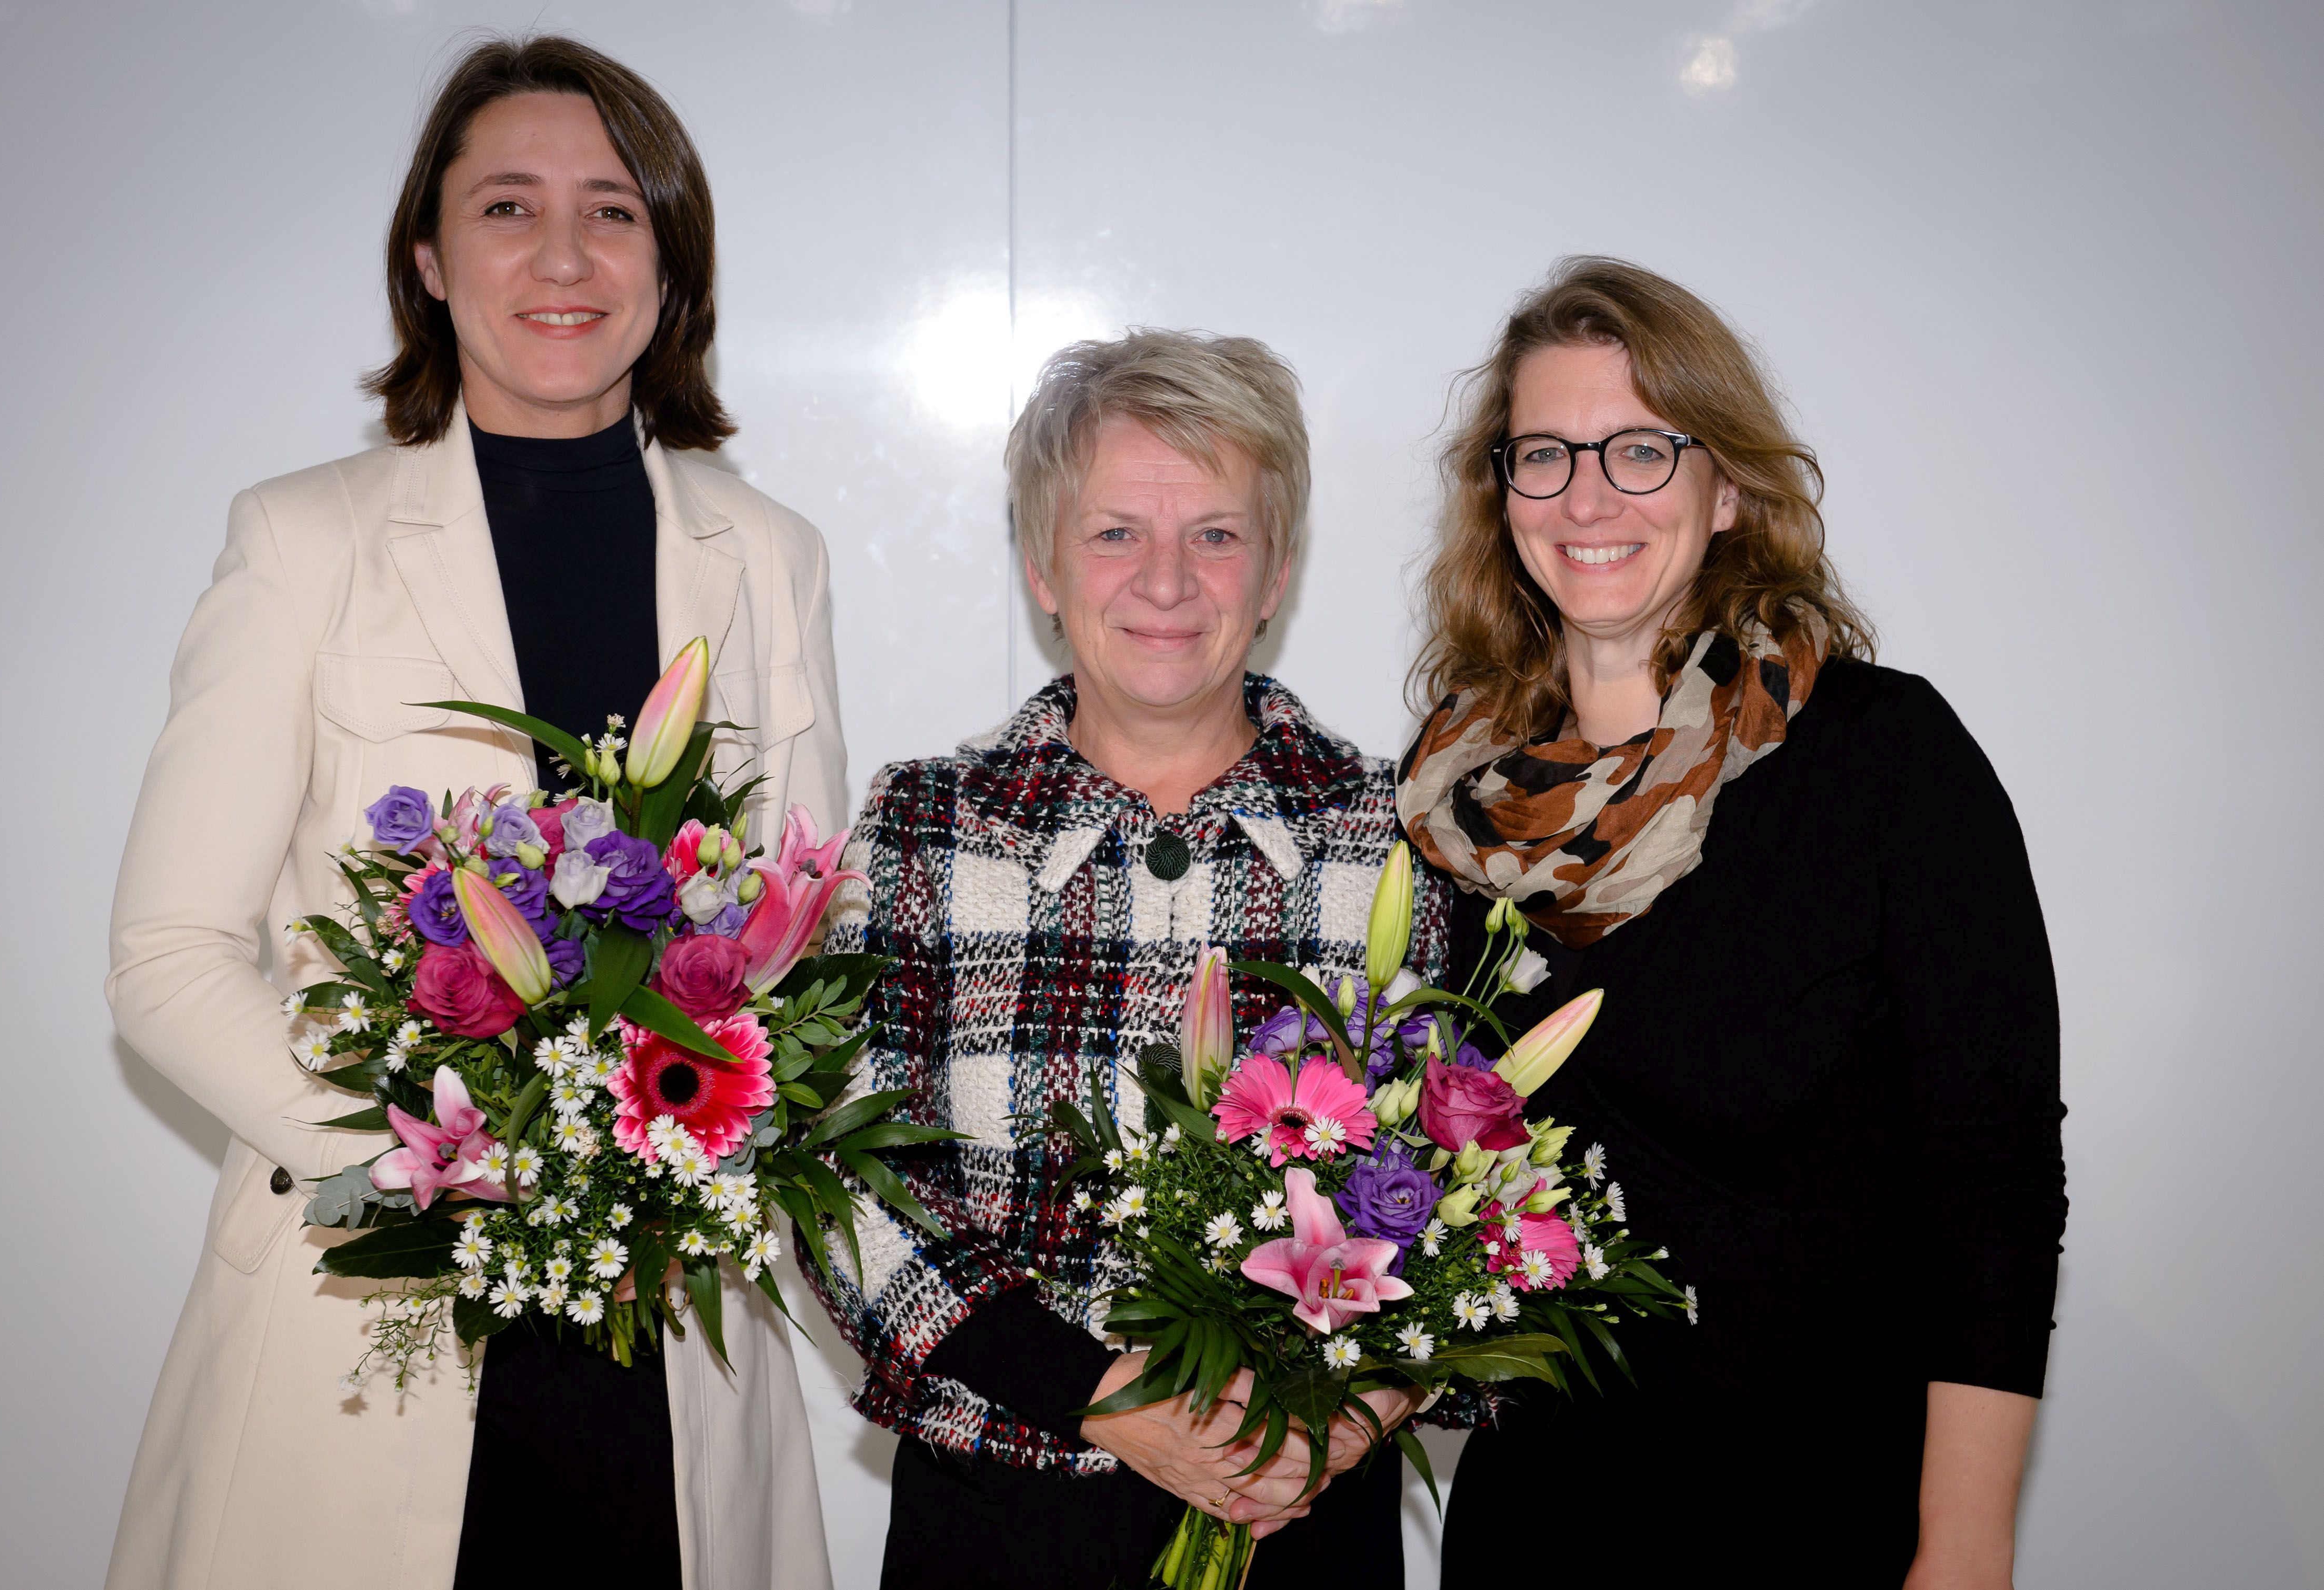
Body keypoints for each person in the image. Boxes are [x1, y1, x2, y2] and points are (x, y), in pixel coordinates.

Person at [103, 37, 841, 1590]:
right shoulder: (304, 540)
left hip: (672, 1331)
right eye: (509, 207)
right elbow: (167, 955)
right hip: (366, 1318)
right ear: (429, 258)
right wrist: (420, 1164)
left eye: (615, 210)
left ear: (672, 260)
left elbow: (797, 948)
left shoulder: (767, 554)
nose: (564, 256)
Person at [1399, 257, 2067, 1588]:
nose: (1586, 497)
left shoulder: (1880, 760)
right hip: (1540, 1520)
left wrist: (1966, 1545)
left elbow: (1993, 1184)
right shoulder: (1455, 799)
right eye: (1544, 454)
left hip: (1818, 1510)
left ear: (1728, 491)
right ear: (1502, 495)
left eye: (1640, 450)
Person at [798, 330, 1446, 1589]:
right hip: (997, 1520)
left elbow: (1456, 1175)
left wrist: (1345, 1412)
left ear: (1276, 573)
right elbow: (839, 1169)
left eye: (1215, 534)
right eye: (1113, 536)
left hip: (1298, 1516)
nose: (1166, 582)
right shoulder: (925, 821)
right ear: (1043, 567)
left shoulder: (1399, 832)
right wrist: (1099, 1394)